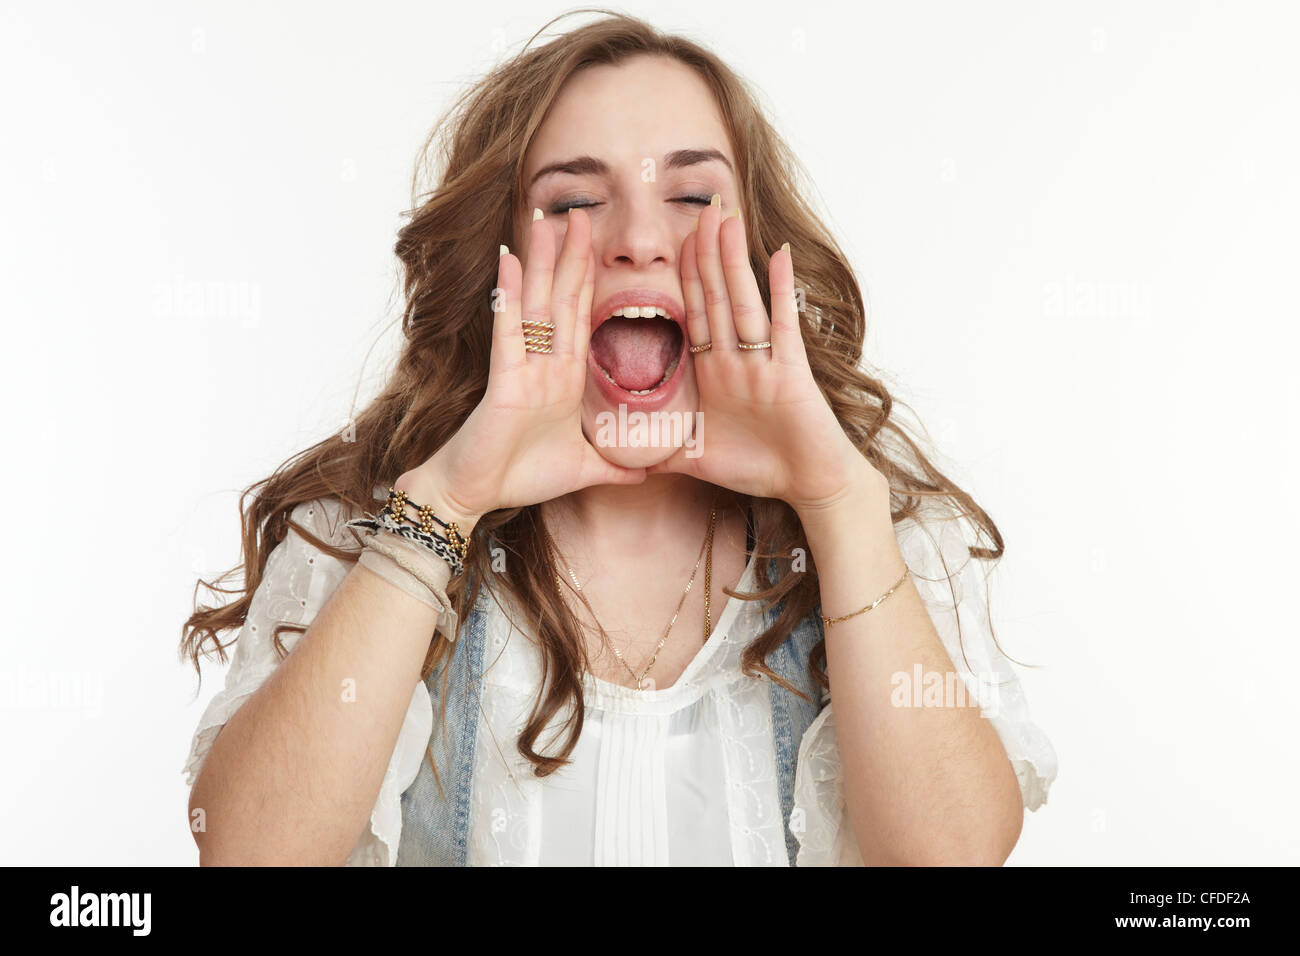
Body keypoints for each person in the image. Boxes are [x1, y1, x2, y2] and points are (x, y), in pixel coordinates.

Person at [180, 11, 1057, 866]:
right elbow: (252, 855)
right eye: (575, 201)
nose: (639, 240)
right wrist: (444, 506)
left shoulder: (880, 524)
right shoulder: (376, 519)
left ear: (756, 244)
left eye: (690, 195)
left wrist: (838, 506)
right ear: (497, 257)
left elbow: (950, 856)